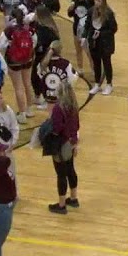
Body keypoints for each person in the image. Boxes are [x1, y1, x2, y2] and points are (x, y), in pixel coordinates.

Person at [0, 8, 36, 119]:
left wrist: (10, 47)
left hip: (14, 61)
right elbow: (34, 42)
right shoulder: (29, 29)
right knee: (28, 83)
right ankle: (30, 110)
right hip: (28, 59)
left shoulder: (9, 30)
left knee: (18, 87)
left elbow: (0, 45)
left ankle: (22, 114)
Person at [47, 80, 80, 214]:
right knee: (71, 169)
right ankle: (73, 198)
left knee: (61, 174)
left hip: (61, 143)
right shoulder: (74, 106)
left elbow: (56, 128)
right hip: (72, 141)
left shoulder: (58, 108)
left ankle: (61, 205)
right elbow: (77, 125)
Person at [85, 0, 118, 95]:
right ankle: (97, 84)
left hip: (105, 43)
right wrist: (85, 36)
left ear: (103, 1)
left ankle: (109, 84)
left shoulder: (108, 13)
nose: (96, 2)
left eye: (99, 1)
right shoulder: (90, 11)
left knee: (107, 63)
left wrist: (101, 33)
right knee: (96, 63)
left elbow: (113, 29)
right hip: (94, 42)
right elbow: (87, 25)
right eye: (95, 0)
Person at [29, 5, 61, 110]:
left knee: (42, 77)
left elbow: (53, 42)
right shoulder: (37, 26)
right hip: (40, 56)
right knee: (35, 76)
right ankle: (38, 96)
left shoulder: (47, 29)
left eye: (35, 13)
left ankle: (45, 98)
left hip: (46, 56)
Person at [36, 40, 78, 107]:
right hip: (61, 96)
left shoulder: (42, 63)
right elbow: (72, 79)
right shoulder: (65, 63)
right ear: (60, 50)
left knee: (51, 115)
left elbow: (40, 75)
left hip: (47, 95)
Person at [66, 0, 93, 71]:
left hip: (86, 30)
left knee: (89, 52)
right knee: (78, 50)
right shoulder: (74, 1)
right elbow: (70, 15)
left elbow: (93, 16)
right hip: (76, 28)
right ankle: (80, 68)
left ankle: (93, 69)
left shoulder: (89, 1)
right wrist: (70, 9)